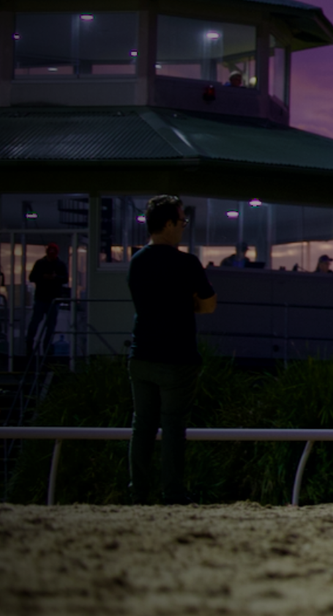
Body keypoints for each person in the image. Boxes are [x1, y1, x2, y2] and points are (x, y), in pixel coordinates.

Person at [127, 195, 216, 505]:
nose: (183, 227)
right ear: (168, 224)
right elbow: (208, 304)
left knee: (143, 427)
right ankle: (173, 492)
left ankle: (138, 492)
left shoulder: (137, 262)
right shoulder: (187, 263)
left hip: (141, 353)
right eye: (181, 222)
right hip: (177, 357)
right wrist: (186, 301)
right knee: (173, 427)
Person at [26, 243, 68, 359]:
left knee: (50, 326)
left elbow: (65, 279)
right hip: (41, 299)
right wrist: (43, 276)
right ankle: (29, 344)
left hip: (54, 300)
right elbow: (32, 277)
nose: (51, 256)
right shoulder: (40, 264)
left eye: (53, 254)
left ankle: (47, 348)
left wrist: (55, 278)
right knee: (35, 323)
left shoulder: (60, 265)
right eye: (50, 254)